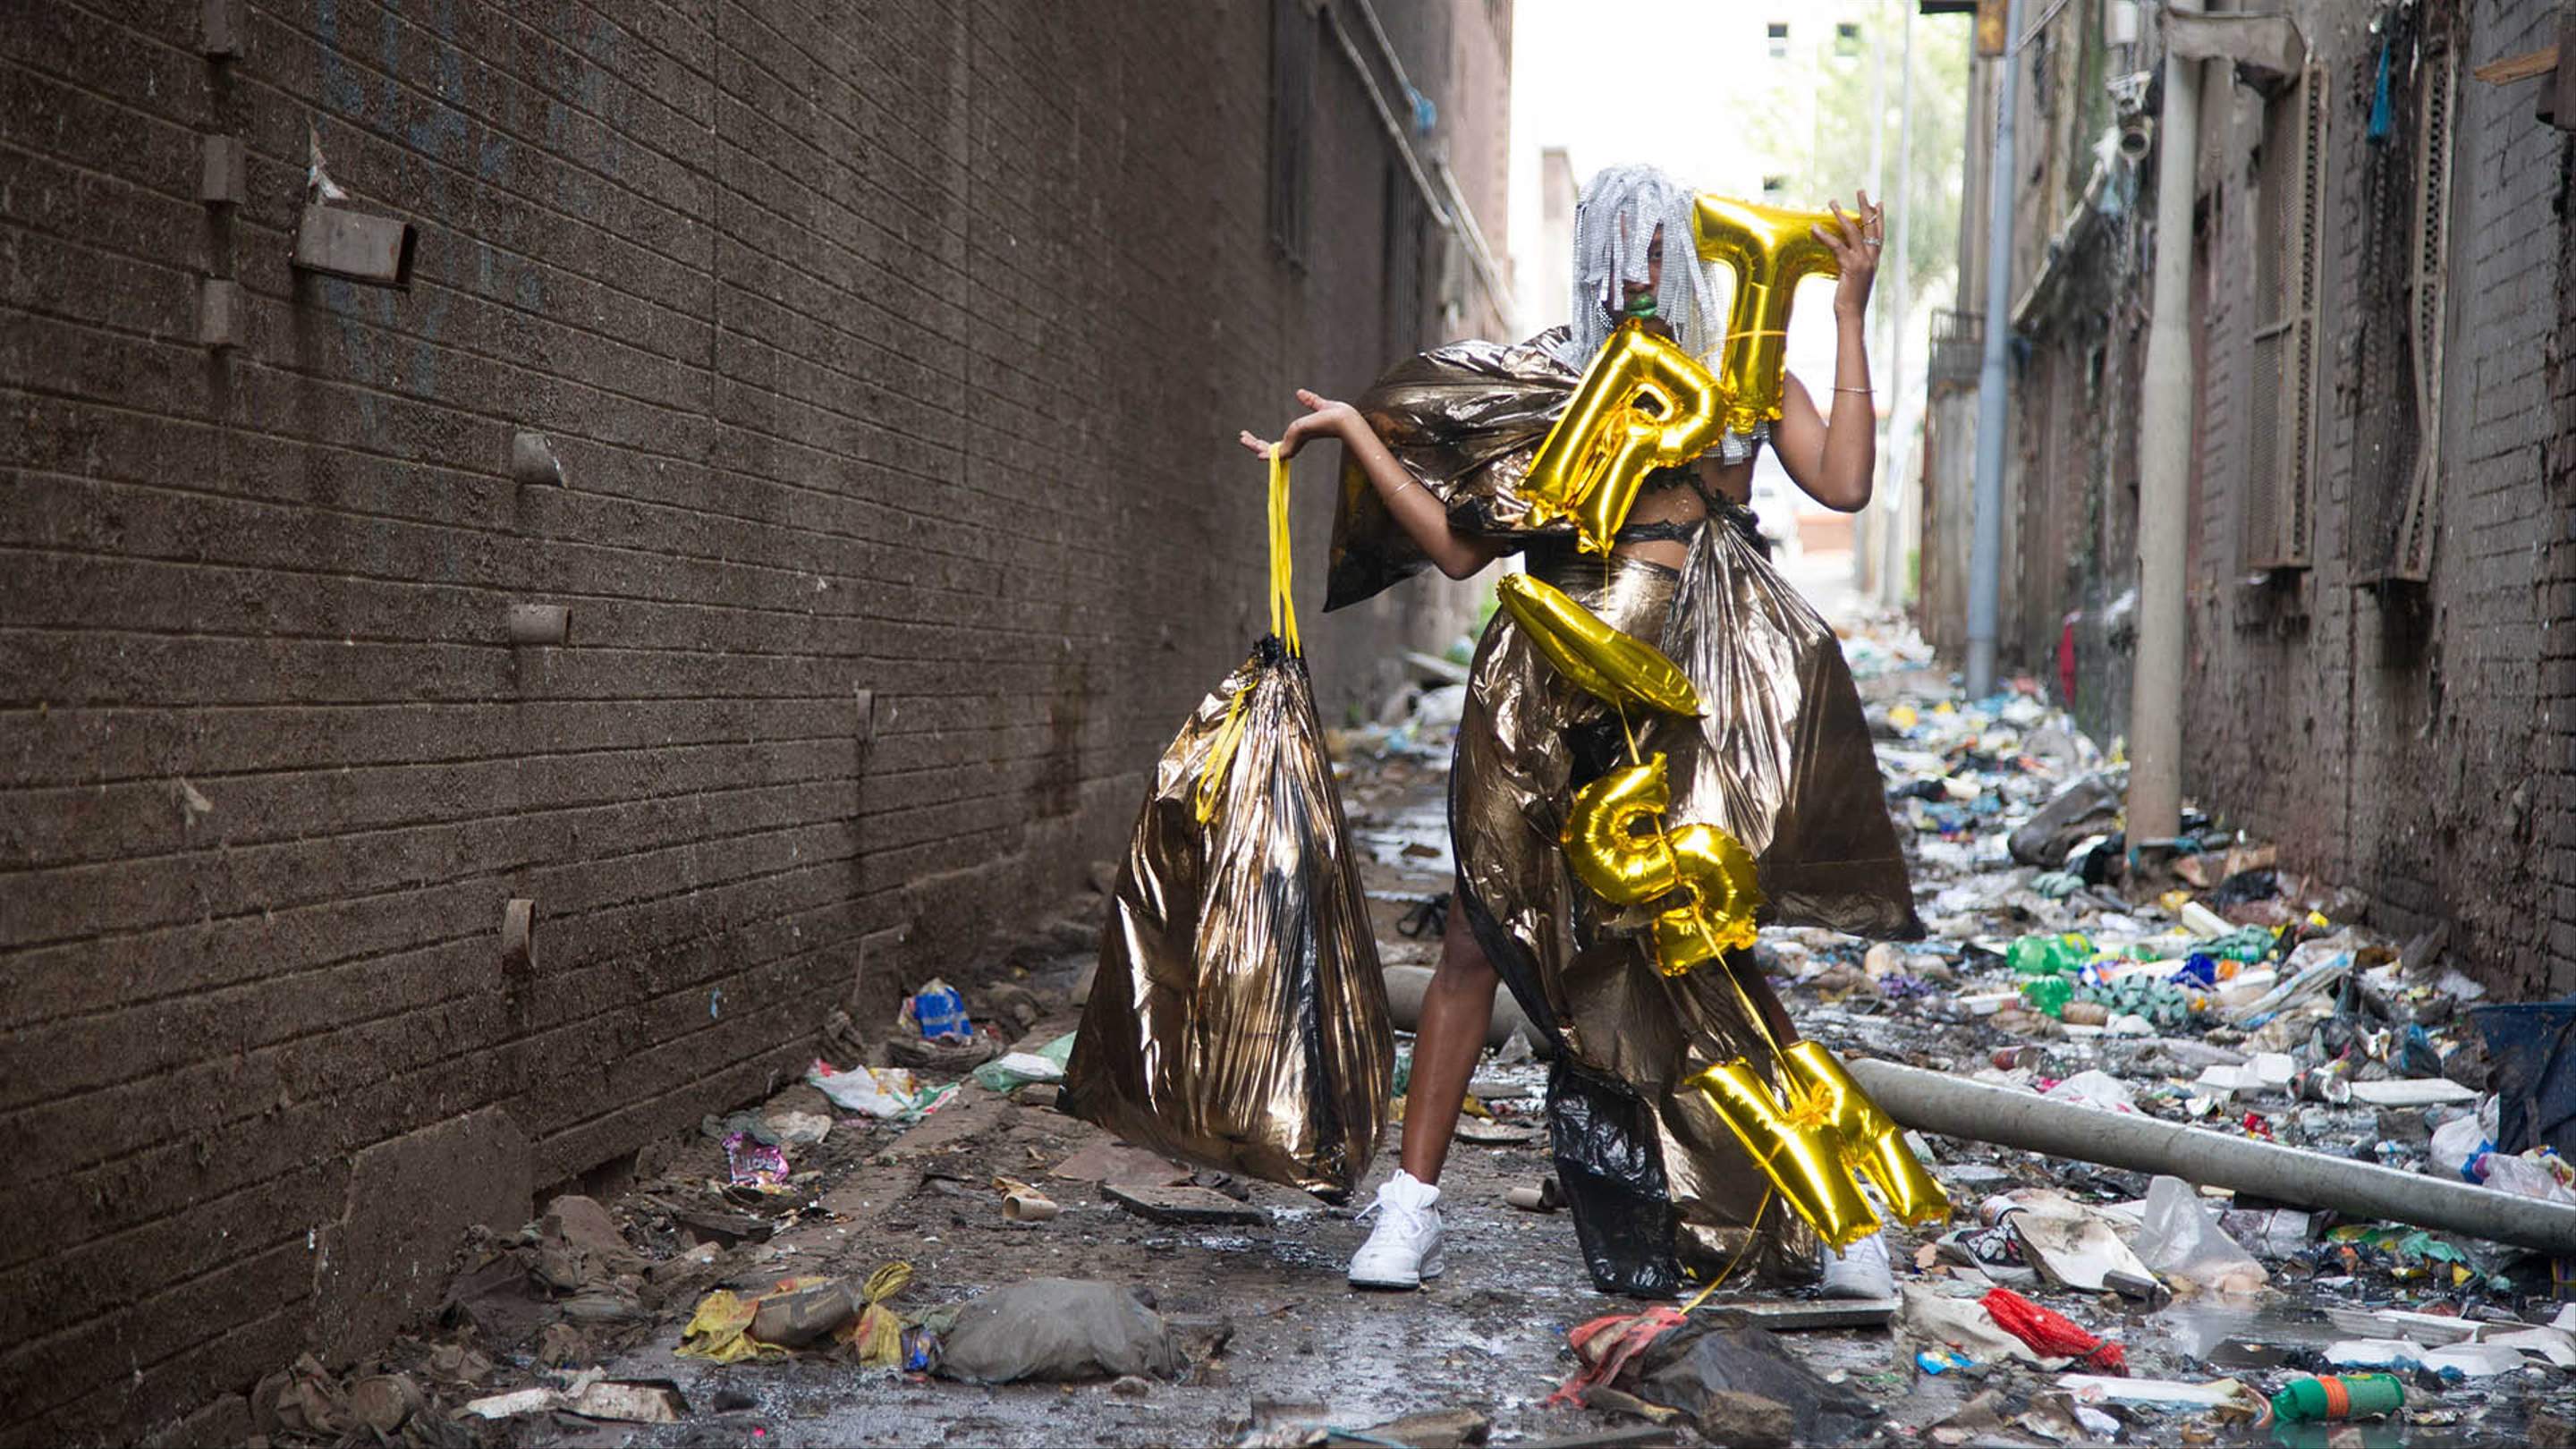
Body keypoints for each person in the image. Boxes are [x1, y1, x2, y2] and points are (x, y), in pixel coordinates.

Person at [1240, 164, 1921, 1300]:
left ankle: (1831, 1215)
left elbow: (1844, 482)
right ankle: (1408, 1212)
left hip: (1683, 698)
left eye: (1661, 247)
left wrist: (1849, 311)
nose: (1640, 272)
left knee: (1709, 949)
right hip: (1540, 692)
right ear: (1591, 261)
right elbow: (1461, 552)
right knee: (1473, 940)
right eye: (1620, 249)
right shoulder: (1544, 387)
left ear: (1692, 259)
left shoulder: (1737, 379)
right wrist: (1359, 435)